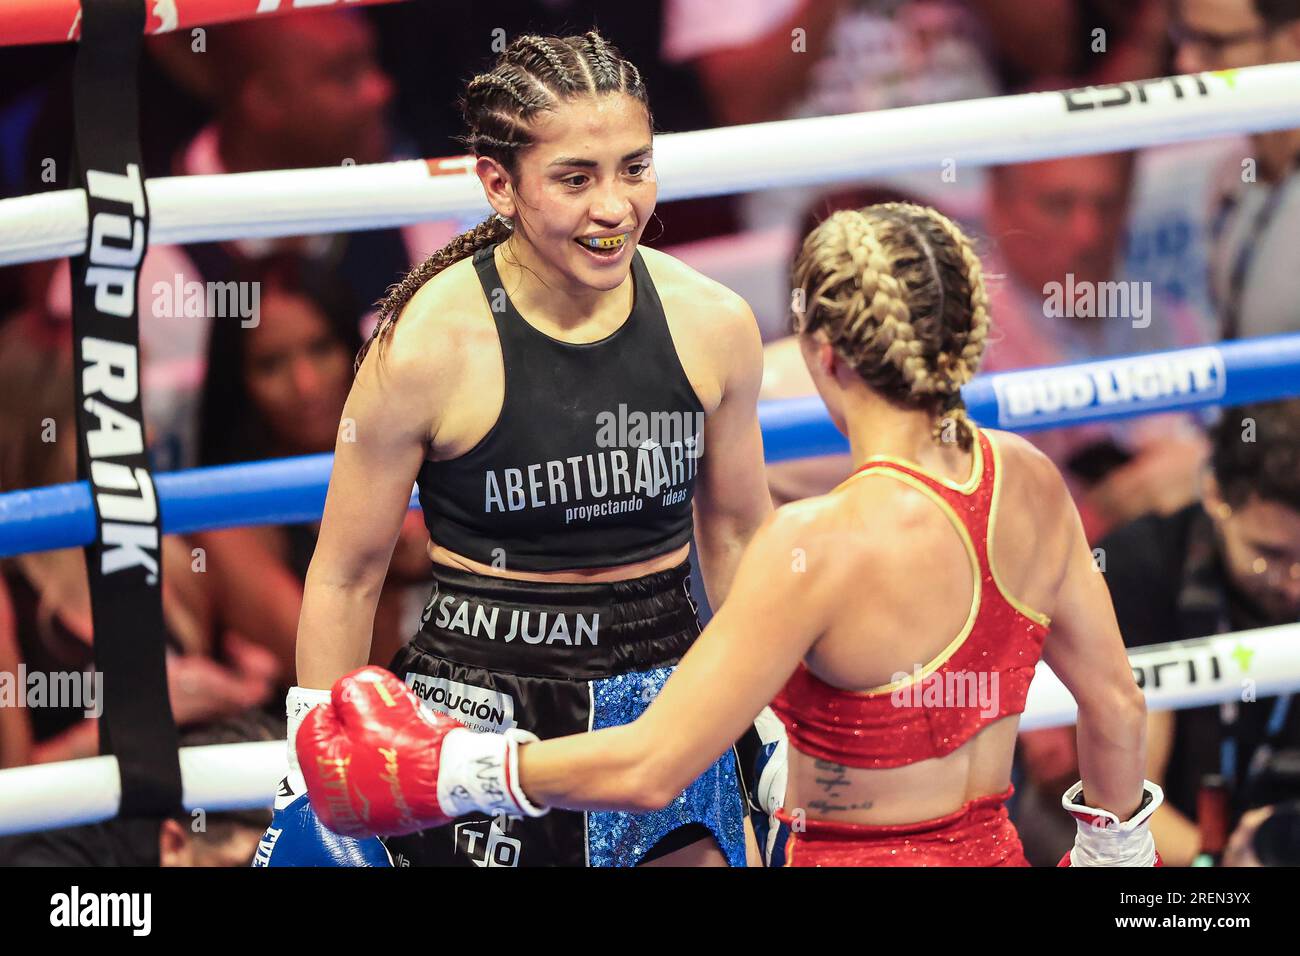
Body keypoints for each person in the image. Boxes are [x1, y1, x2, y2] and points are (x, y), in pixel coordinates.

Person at [299, 202, 1163, 867]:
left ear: (824, 355)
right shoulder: (1033, 484)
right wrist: (1110, 857)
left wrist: (451, 770)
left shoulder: (816, 546)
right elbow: (1118, 706)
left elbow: (650, 767)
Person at [265, 30, 772, 869]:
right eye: (575, 178)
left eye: (634, 168)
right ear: (499, 184)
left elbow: (739, 535)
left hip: (670, 692)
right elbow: (347, 573)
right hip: (479, 710)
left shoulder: (711, 322)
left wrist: (772, 705)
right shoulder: (426, 345)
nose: (614, 206)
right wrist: (310, 756)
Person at [193, 257, 430, 677]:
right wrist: (380, 562)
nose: (305, 384)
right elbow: (337, 679)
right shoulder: (229, 521)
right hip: (345, 724)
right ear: (238, 381)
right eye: (271, 364)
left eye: (320, 348)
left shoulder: (422, 444)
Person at [1097, 400, 1300, 865]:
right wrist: (1220, 864)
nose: (1294, 582)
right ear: (1214, 494)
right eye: (1270, 554)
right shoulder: (1140, 567)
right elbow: (1127, 804)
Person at [1173, 0, 1300, 340]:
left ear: (1295, 40)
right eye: (1182, 36)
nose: (1185, 62)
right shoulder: (1230, 174)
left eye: (1213, 43)